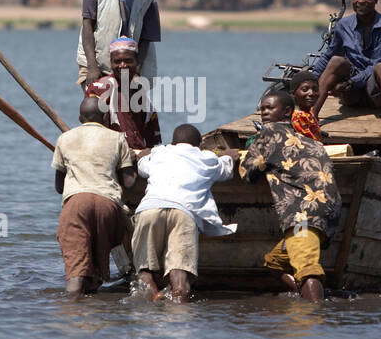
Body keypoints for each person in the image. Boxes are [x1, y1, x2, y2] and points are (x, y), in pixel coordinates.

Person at [239, 90, 342, 302]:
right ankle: (308, 296)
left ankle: (313, 317)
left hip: (301, 217)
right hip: (328, 213)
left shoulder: (270, 133)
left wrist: (234, 156)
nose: (264, 112)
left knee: (307, 269)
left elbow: (248, 173)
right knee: (275, 261)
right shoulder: (312, 142)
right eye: (262, 108)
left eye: (270, 108)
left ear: (287, 111)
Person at [131, 124, 240, 303]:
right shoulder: (206, 157)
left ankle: (153, 297)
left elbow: (143, 167)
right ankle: (180, 310)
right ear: (198, 145)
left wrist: (143, 156)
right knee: (179, 272)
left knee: (144, 268)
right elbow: (225, 171)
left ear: (173, 143)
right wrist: (229, 157)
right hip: (184, 212)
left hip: (149, 209)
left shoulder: (160, 153)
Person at [52, 97, 138, 298]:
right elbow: (130, 183)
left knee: (76, 270)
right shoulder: (117, 139)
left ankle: (73, 316)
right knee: (96, 271)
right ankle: (97, 319)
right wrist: (130, 162)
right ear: (106, 117)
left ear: (80, 117)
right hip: (107, 205)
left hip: (76, 205)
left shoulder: (65, 139)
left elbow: (58, 186)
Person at [309, 0, 381, 133]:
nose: (361, 1)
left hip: (377, 92)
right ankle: (311, 115)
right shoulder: (343, 25)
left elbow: (377, 65)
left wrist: (351, 82)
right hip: (354, 94)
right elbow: (328, 56)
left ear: (376, 0)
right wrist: (311, 82)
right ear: (351, 0)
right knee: (336, 61)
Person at [85, 37, 162, 150]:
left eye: (128, 61)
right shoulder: (99, 89)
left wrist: (150, 155)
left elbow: (154, 139)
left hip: (139, 159)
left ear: (137, 62)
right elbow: (91, 132)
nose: (123, 65)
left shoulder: (141, 95)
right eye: (117, 61)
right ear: (111, 63)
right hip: (110, 155)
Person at [286, 70, 322, 141]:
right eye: (305, 89)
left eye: (315, 89)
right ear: (293, 94)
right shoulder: (298, 117)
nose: (311, 93)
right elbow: (310, 143)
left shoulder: (308, 111)